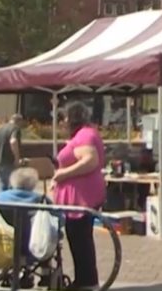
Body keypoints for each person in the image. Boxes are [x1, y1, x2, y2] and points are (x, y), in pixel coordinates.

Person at [53, 102, 106, 290]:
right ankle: (84, 280)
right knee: (78, 237)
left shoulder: (85, 135)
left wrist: (64, 174)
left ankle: (87, 281)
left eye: (65, 117)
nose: (63, 122)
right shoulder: (84, 134)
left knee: (80, 238)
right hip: (78, 197)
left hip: (82, 197)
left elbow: (90, 161)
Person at [0, 114, 25, 191]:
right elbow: (13, 141)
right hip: (9, 161)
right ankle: (7, 202)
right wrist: (17, 158)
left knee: (3, 183)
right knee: (12, 184)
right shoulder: (15, 128)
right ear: (19, 121)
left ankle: (0, 201)